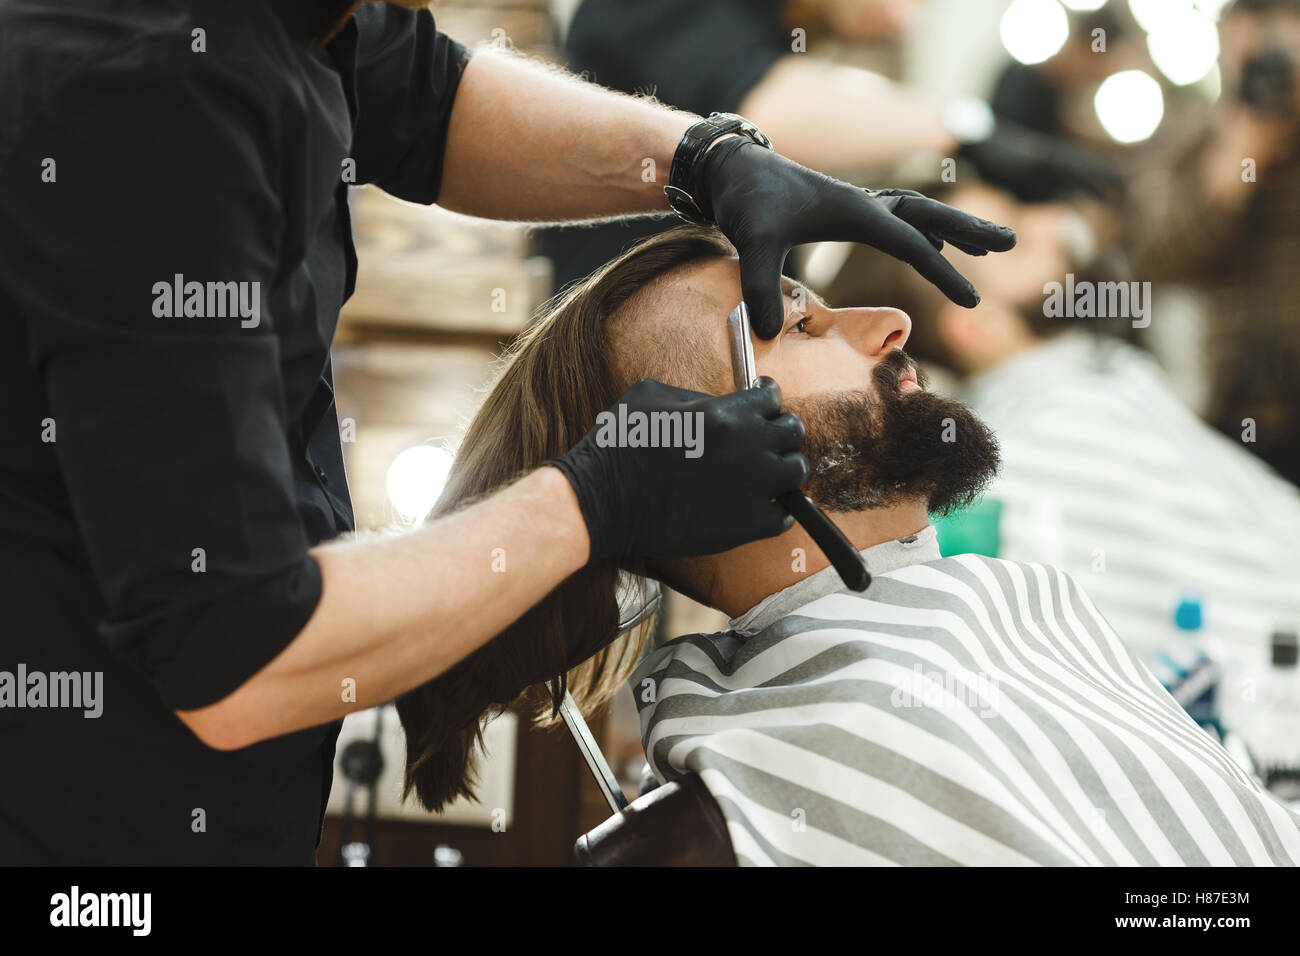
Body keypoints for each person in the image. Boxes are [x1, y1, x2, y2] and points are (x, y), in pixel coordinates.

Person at [0, 0, 1016, 864]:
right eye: (791, 318)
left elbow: (427, 100)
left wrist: (701, 156)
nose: (891, 326)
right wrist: (596, 497)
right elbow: (237, 650)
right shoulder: (137, 92)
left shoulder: (304, 20)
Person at [396, 224, 1300, 867]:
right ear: (703, 446)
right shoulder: (758, 786)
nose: (891, 324)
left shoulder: (1021, 601)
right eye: (799, 323)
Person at [837, 183, 1300, 668]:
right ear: (977, 325)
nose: (1051, 226)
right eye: (1007, 245)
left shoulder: (1103, 372)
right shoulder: (1021, 464)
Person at [541, 0, 1114, 291]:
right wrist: (968, 130)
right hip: (608, 333)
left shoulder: (768, 33)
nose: (900, 22)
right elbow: (756, 106)